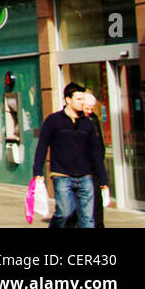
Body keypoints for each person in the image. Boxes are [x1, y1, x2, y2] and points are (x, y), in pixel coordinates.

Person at [33, 82, 107, 229]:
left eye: (83, 99)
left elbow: (95, 152)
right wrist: (37, 171)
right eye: (79, 99)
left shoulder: (87, 123)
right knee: (64, 213)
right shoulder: (54, 120)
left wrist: (103, 178)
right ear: (68, 99)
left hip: (85, 176)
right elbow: (42, 146)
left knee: (87, 219)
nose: (82, 103)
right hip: (62, 175)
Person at [81, 92, 107, 228]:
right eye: (87, 109)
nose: (89, 112)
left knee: (97, 201)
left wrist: (102, 176)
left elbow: (99, 145)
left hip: (94, 168)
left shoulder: (93, 119)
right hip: (79, 170)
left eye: (92, 109)